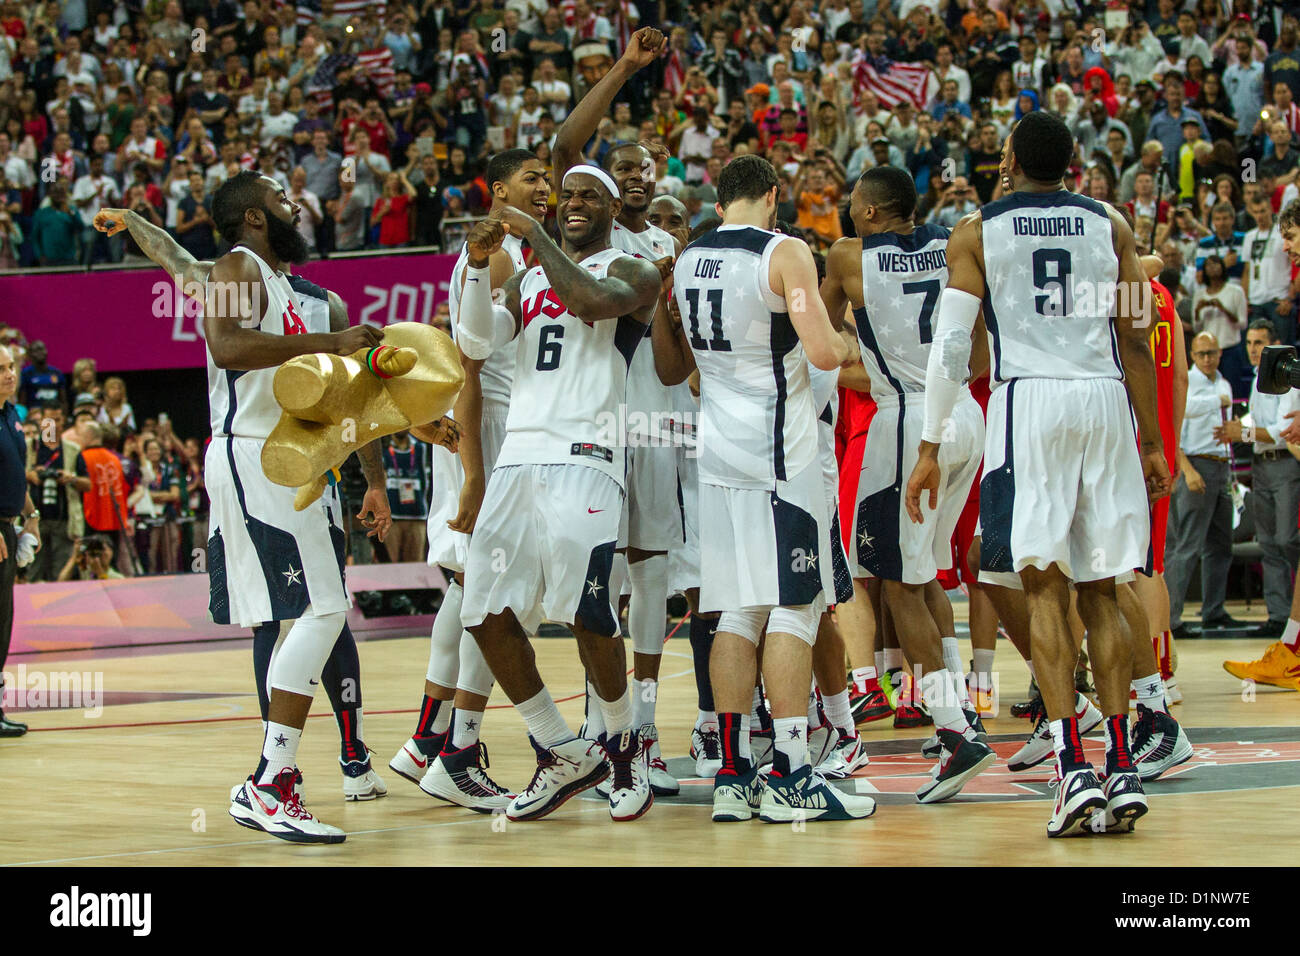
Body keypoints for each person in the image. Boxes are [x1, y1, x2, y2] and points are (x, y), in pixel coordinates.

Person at [908, 110, 1171, 837]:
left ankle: (1071, 768)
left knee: (1043, 587)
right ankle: (1119, 761)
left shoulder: (976, 229)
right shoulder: (1111, 224)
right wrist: (1153, 444)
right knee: (1102, 591)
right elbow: (1137, 339)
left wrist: (930, 446)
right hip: (1106, 403)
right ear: (1073, 162)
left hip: (1031, 405)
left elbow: (951, 347)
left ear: (1013, 157)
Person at [660, 153, 875, 824]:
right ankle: (789, 769)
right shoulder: (786, 252)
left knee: (734, 609)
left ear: (721, 200)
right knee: (796, 604)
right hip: (783, 452)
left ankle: (731, 773)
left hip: (717, 450)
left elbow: (679, 365)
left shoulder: (688, 257)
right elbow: (821, 352)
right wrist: (844, 341)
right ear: (774, 196)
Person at [454, 166, 664, 823]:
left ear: (611, 206)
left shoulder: (637, 269)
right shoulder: (526, 275)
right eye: (565, 196)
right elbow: (476, 343)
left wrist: (537, 237)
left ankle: (624, 747)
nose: (573, 204)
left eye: (586, 197)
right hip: (519, 454)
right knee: (481, 608)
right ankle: (559, 747)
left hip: (588, 455)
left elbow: (591, 303)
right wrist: (473, 266)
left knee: (590, 614)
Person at [194, 170, 393, 843]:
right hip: (251, 453)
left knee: (309, 614)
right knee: (318, 609)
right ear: (254, 218)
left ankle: (272, 779)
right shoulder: (238, 265)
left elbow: (339, 401)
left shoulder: (284, 287)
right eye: (282, 201)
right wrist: (329, 343)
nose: (296, 207)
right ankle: (269, 782)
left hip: (290, 461)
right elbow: (226, 346)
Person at [821, 165, 993, 803]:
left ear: (868, 213)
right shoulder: (954, 243)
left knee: (895, 585)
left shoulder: (846, 256)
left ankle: (953, 732)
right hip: (964, 418)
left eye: (851, 201)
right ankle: (963, 711)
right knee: (923, 576)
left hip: (904, 428)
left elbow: (813, 334)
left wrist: (864, 358)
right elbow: (976, 351)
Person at [550, 27, 690, 796]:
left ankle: (644, 725)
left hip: (655, 422)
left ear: (657, 178)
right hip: (591, 428)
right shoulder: (587, 226)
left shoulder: (666, 246)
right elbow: (569, 139)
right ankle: (603, 725)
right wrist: (628, 69)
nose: (632, 177)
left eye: (642, 168)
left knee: (650, 570)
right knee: (593, 579)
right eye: (620, 168)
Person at [389, 149, 550, 812]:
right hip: (488, 427)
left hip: (485, 427)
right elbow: (472, 367)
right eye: (533, 178)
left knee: (467, 591)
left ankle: (430, 740)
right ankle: (456, 750)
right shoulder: (502, 257)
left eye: (548, 177)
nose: (544, 187)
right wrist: (475, 473)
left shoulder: (501, 253)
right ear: (499, 189)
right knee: (496, 596)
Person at [1214, 320, 1300, 637]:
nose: (1253, 350)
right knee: (1268, 543)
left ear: (1276, 346)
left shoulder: (1289, 382)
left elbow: (1282, 433)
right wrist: (1239, 428)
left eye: (1260, 343)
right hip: (1261, 465)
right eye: (1249, 343)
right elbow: (1259, 424)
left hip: (1285, 464)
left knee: (1286, 539)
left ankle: (1294, 614)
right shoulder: (1256, 381)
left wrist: (1244, 432)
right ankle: (1279, 617)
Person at [1165, 331, 1238, 642]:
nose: (1207, 358)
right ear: (1192, 356)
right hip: (1196, 464)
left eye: (1212, 352)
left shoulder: (1224, 382)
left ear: (1220, 353)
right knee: (1187, 546)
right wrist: (1188, 470)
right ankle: (1172, 618)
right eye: (1201, 353)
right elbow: (1179, 421)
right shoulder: (1188, 381)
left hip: (1222, 466)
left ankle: (1214, 609)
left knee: (1221, 545)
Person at [0, 343, 41, 737]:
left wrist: (31, 517)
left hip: (9, 527)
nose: (10, 374)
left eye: (12, 367)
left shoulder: (11, 413)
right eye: (1, 369)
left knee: (2, 621)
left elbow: (15, 472)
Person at [71, 420, 133, 577]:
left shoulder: (82, 457)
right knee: (110, 566)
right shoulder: (115, 459)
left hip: (91, 519)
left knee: (87, 566)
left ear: (88, 436)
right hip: (114, 520)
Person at [379, 430, 429, 563]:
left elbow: (426, 481)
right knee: (391, 565)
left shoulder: (420, 448)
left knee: (415, 565)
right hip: (391, 517)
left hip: (417, 515)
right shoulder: (382, 449)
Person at [19, 340, 65, 411]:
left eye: (42, 349)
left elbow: (63, 400)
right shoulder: (26, 373)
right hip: (34, 412)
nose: (40, 353)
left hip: (54, 411)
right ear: (30, 354)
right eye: (36, 351)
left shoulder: (57, 373)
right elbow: (22, 401)